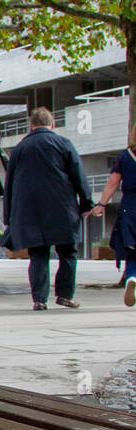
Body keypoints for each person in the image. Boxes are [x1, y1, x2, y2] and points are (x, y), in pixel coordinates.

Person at [3, 107, 93, 310]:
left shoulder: (20, 148)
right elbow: (79, 175)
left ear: (31, 125)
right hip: (62, 208)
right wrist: (86, 203)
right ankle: (65, 295)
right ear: (52, 125)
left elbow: (9, 184)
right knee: (68, 252)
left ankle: (39, 299)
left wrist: (9, 215)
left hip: (30, 211)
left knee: (38, 254)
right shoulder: (63, 143)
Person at [90, 122, 136, 308]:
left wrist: (101, 204)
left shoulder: (124, 156)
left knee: (132, 250)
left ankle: (132, 277)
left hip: (130, 207)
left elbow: (112, 183)